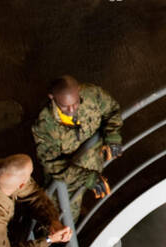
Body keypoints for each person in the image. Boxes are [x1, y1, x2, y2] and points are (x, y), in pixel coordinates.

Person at [31, 76, 123, 220]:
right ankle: (61, 239)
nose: (72, 110)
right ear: (52, 97)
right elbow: (52, 163)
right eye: (65, 106)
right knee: (62, 215)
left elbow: (112, 110)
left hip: (94, 162)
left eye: (75, 103)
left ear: (79, 91)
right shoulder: (44, 125)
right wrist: (86, 178)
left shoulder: (93, 95)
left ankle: (78, 211)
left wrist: (112, 135)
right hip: (68, 180)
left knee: (79, 200)